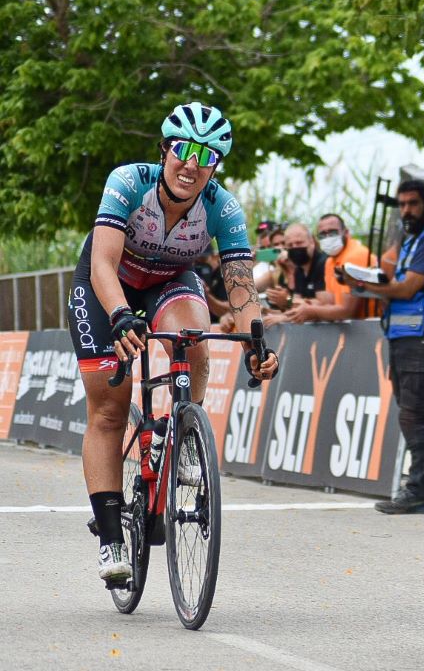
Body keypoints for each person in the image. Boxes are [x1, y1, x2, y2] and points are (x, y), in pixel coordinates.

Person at [70, 102, 278, 586]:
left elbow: (241, 286)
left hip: (168, 281)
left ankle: (182, 434)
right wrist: (121, 315)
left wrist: (255, 341)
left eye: (207, 155)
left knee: (195, 342)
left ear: (217, 165)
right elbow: (103, 263)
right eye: (183, 149)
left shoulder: (222, 208)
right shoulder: (128, 182)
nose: (192, 163)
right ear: (164, 150)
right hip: (108, 284)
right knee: (108, 411)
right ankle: (110, 538)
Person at [348, 181, 424, 515]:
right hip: (409, 339)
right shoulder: (413, 239)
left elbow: (408, 289)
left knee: (417, 416)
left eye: (412, 204)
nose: (406, 211)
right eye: (402, 205)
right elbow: (392, 273)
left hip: (423, 339)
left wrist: (364, 286)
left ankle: (420, 491)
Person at [285, 213, 378, 323]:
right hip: (350, 328)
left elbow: (346, 311)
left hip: (372, 326)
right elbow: (329, 303)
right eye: (322, 235)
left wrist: (309, 310)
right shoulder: (329, 261)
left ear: (346, 233)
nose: (327, 237)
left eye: (333, 232)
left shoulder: (354, 256)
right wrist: (292, 306)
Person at [263, 222, 329, 322]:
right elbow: (295, 308)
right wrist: (266, 311)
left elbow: (324, 304)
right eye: (290, 245)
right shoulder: (299, 270)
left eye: (299, 243)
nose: (295, 248)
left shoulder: (323, 263)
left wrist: (287, 301)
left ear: (312, 242)